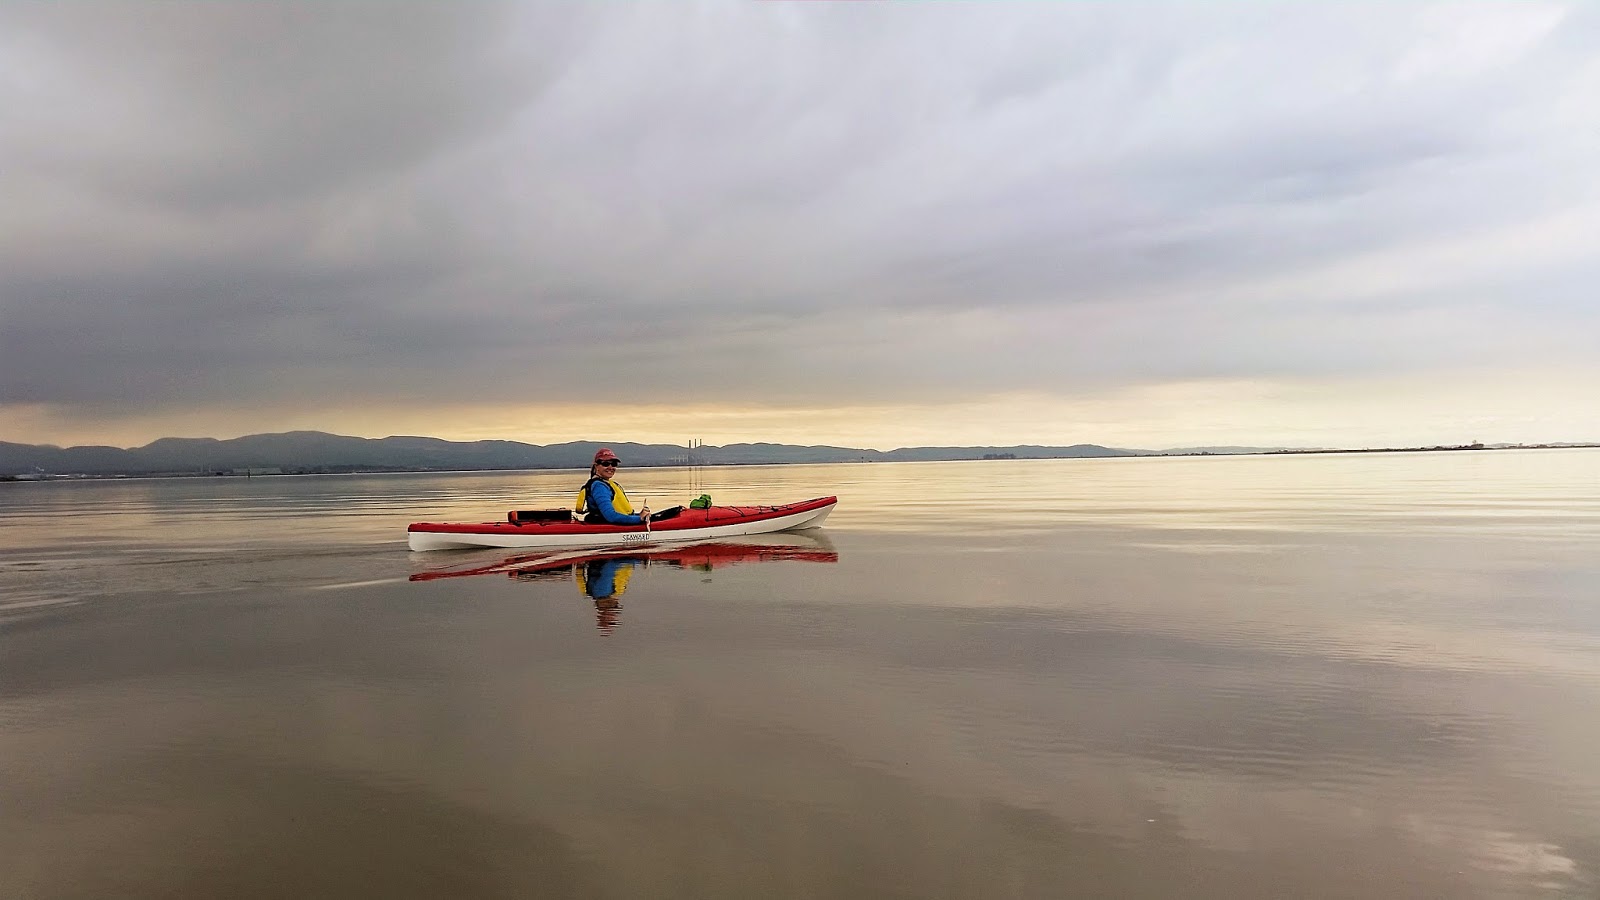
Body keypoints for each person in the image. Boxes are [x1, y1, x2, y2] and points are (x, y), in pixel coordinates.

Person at [575, 448, 650, 525]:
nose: (610, 467)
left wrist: (640, 515)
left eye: (614, 464)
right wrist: (639, 518)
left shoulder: (607, 484)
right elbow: (610, 516)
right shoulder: (599, 486)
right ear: (596, 466)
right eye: (605, 464)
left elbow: (621, 513)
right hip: (605, 526)